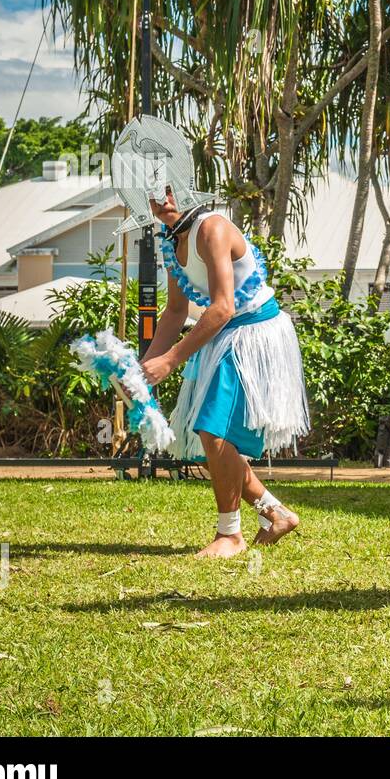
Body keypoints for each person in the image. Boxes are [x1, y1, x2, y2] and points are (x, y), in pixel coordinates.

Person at [110, 116, 310, 558]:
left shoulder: (212, 228)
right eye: (150, 191)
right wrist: (147, 368)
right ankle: (276, 513)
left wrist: (172, 361)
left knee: (211, 431)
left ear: (182, 184)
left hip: (254, 333)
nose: (160, 199)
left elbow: (222, 306)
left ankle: (230, 534)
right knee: (214, 435)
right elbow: (176, 312)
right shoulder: (169, 239)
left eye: (166, 187)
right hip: (225, 335)